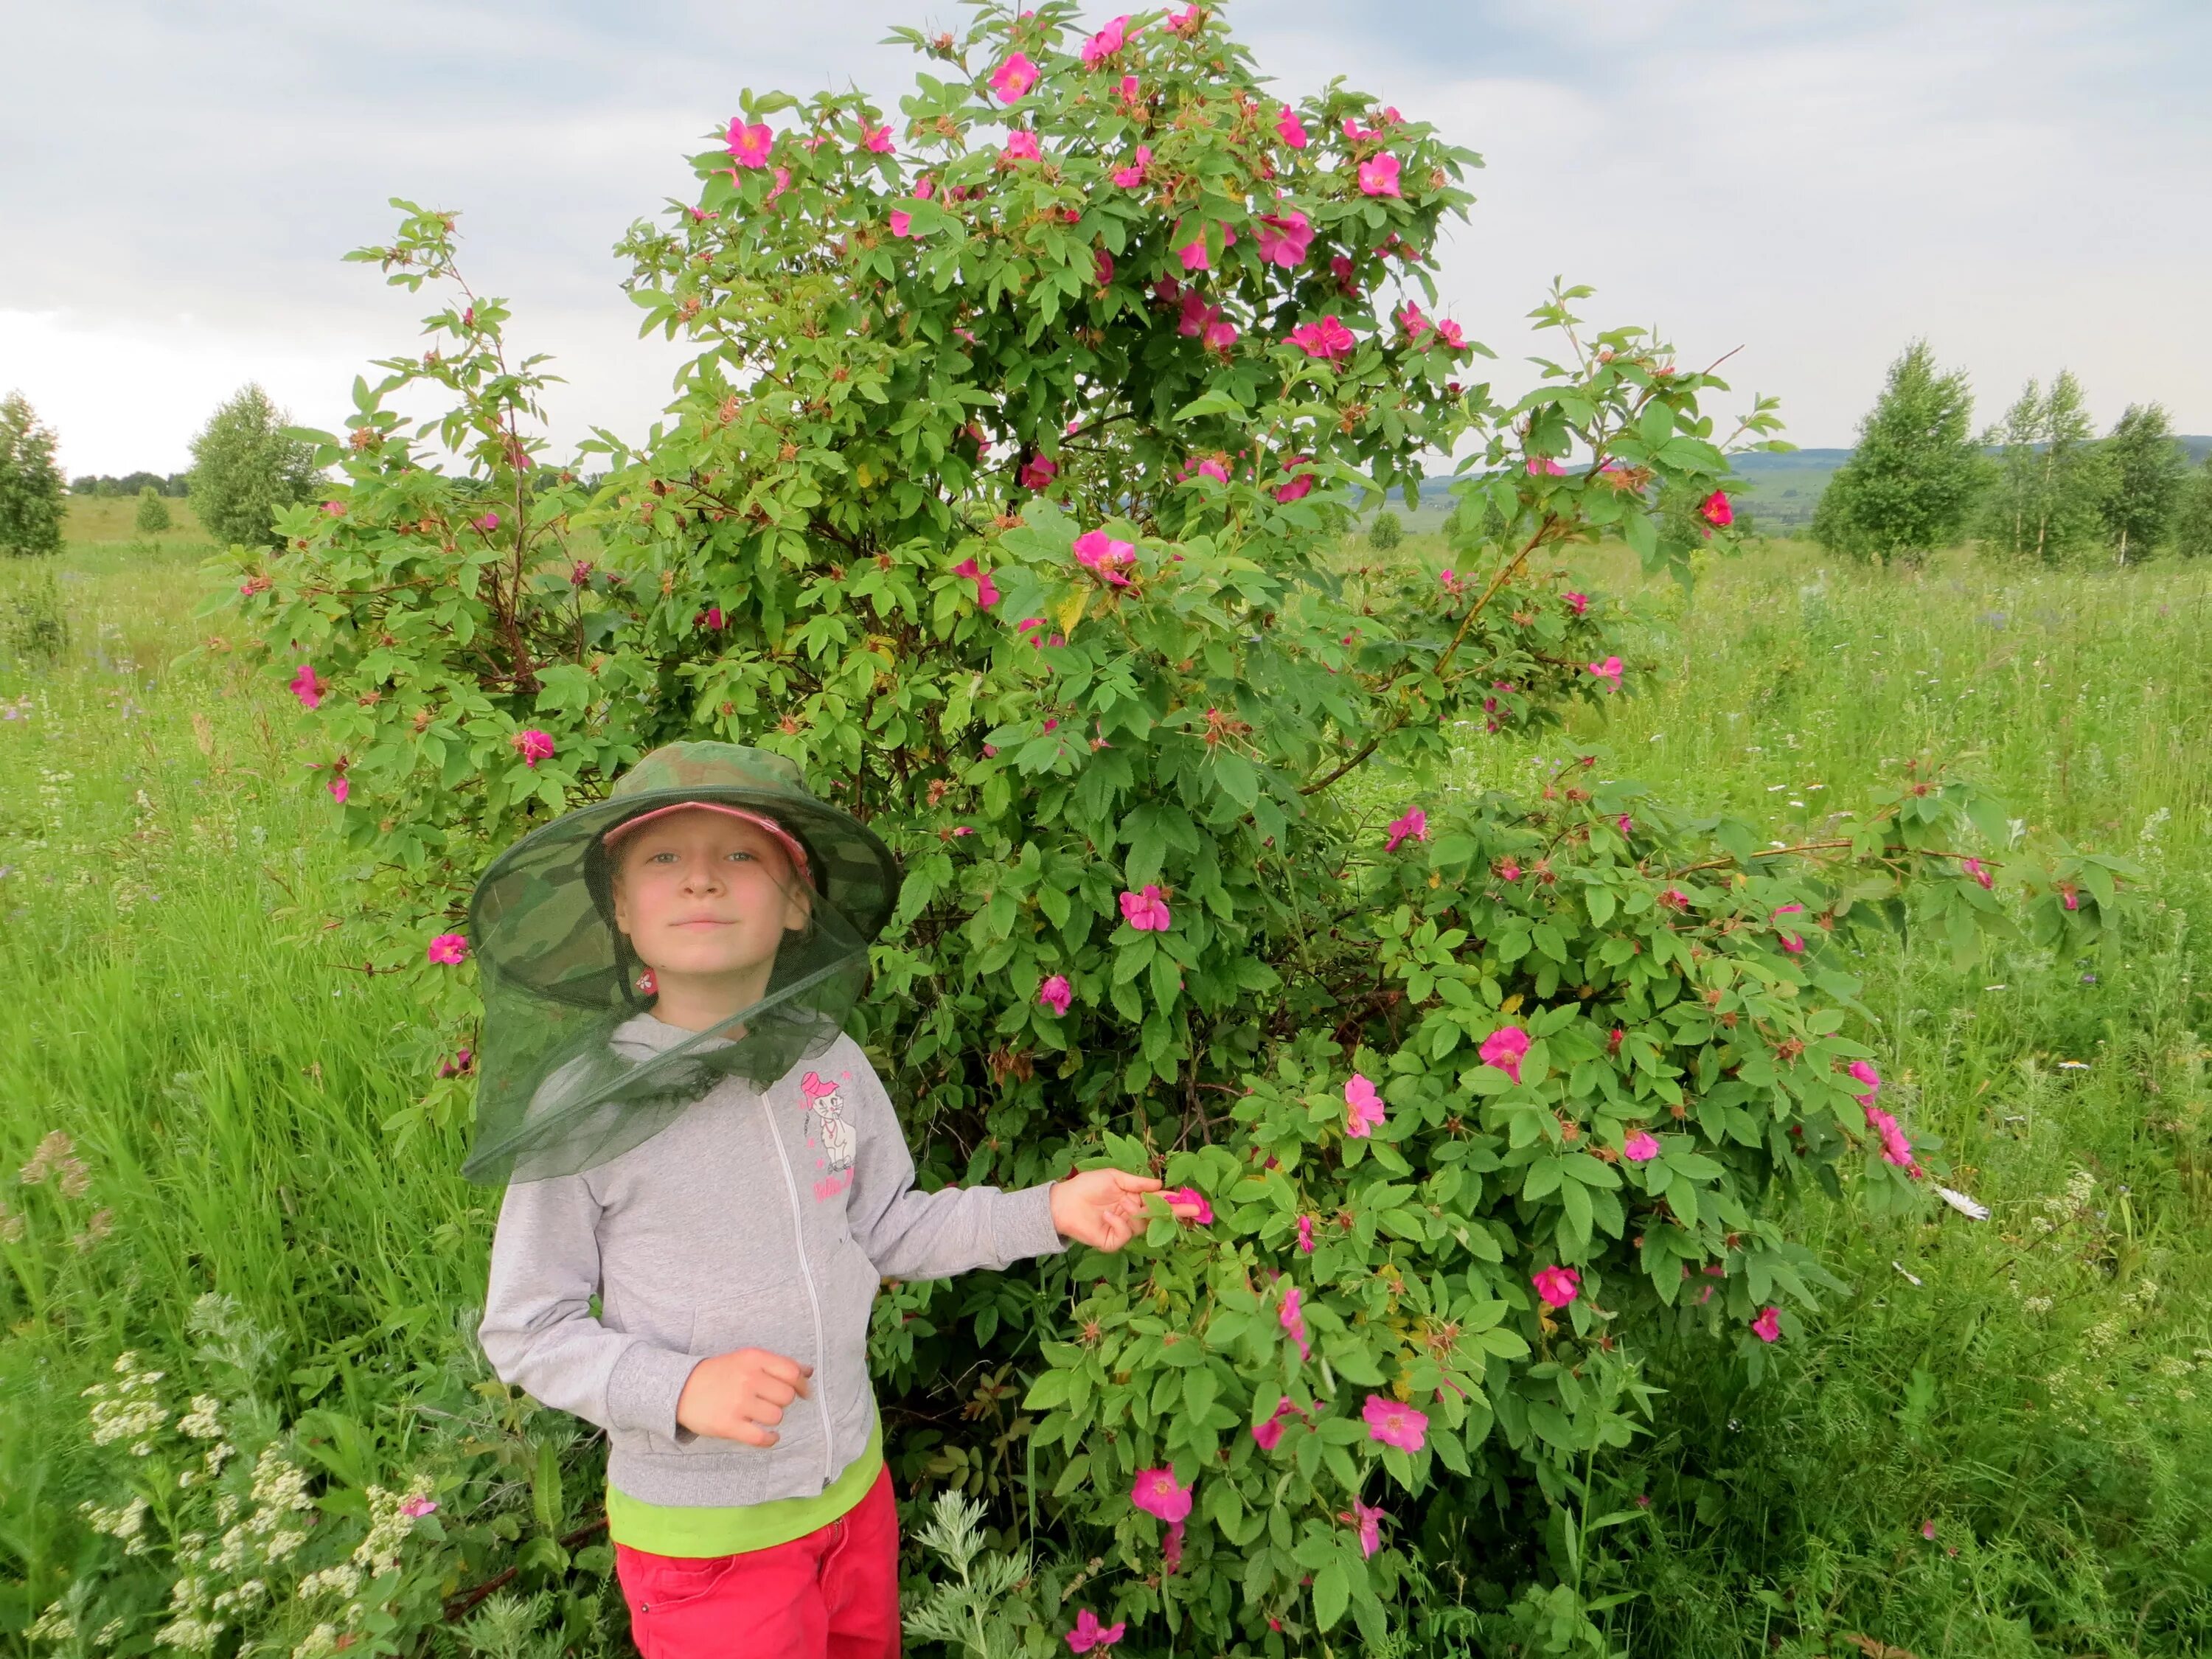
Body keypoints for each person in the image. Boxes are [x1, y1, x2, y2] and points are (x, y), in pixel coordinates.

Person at [469, 742, 1192, 1659]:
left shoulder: (827, 1063)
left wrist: (1048, 1209)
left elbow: (888, 1226)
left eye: (740, 855)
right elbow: (527, 1327)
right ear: (619, 906)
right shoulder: (585, 1106)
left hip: (853, 1495)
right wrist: (681, 1387)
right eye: (663, 859)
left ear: (798, 898)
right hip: (705, 1544)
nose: (701, 881)